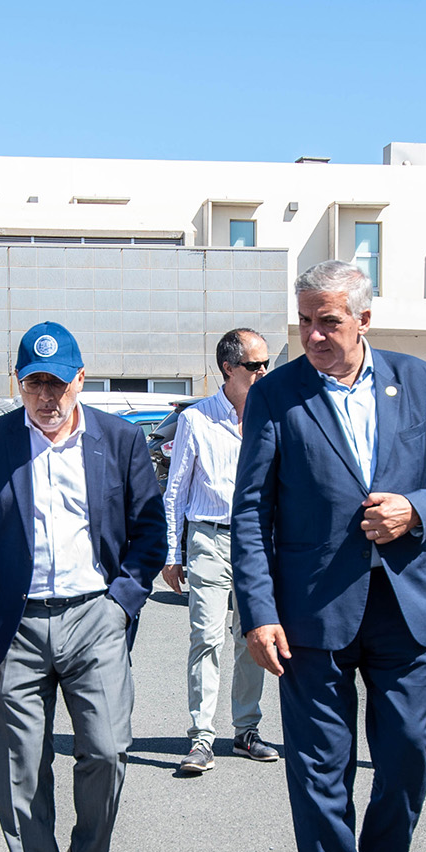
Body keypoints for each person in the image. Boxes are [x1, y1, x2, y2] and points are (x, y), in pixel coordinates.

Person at [232, 260, 426, 852]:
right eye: (305, 321)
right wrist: (258, 610)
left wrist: (416, 509)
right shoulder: (276, 394)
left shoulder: (421, 381)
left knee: (411, 746)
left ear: (364, 320)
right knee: (321, 762)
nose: (313, 334)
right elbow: (250, 510)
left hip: (403, 603)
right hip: (311, 610)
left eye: (329, 321)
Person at [0, 322, 166, 852]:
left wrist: (121, 602)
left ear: (80, 381)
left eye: (58, 384)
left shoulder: (119, 439)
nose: (46, 397)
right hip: (13, 622)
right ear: (18, 384)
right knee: (20, 762)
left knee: (106, 749)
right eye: (34, 383)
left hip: (95, 615)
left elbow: (150, 531)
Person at [161, 329, 279, 775]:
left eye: (267, 364)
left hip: (258, 544)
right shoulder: (197, 419)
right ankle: (201, 738)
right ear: (228, 369)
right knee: (207, 638)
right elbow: (176, 491)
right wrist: (172, 553)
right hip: (209, 539)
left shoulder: (273, 416)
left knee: (253, 638)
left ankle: (246, 730)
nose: (263, 372)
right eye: (254, 365)